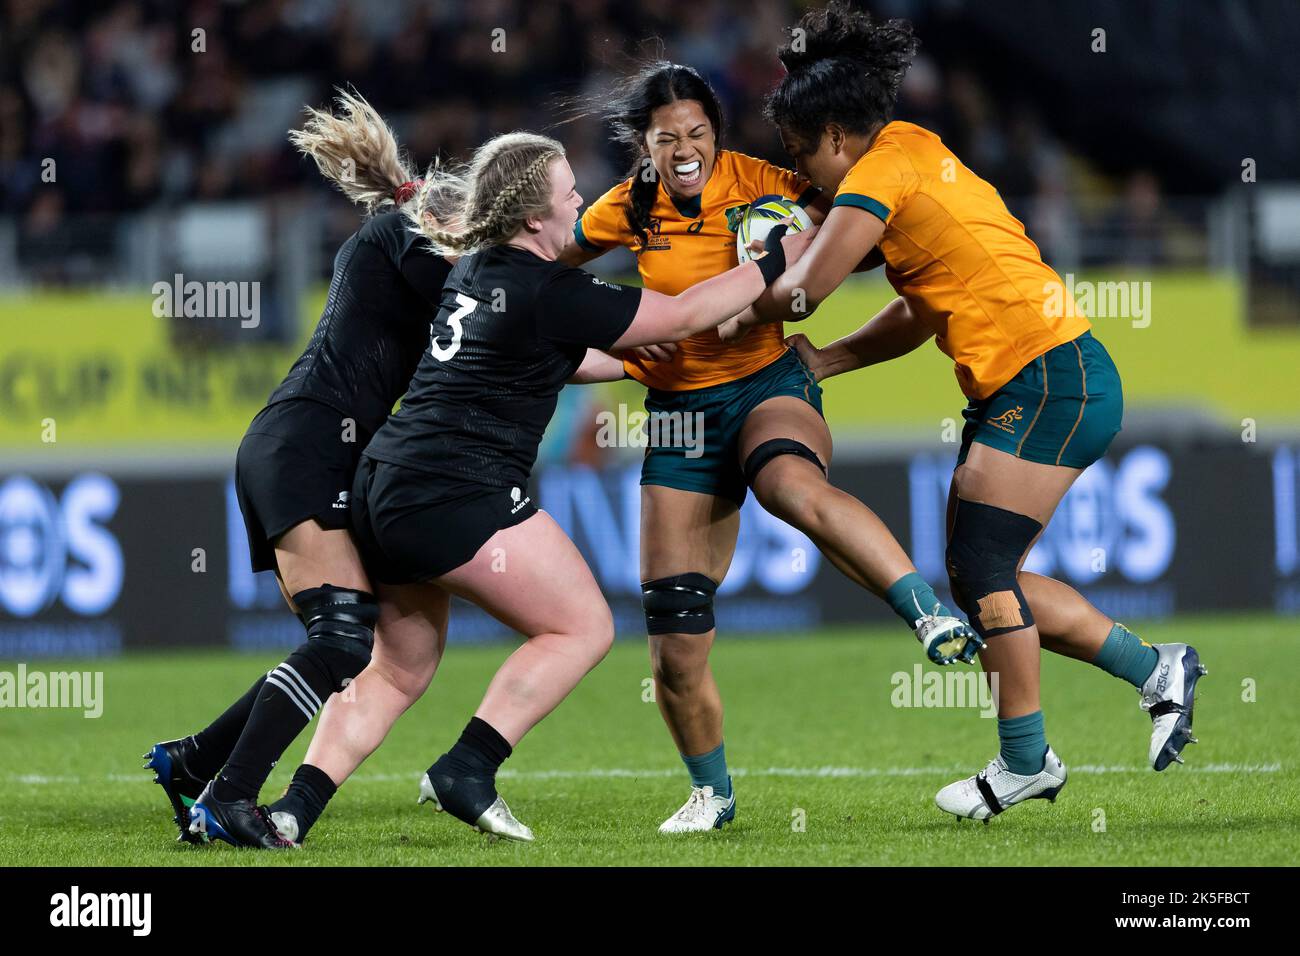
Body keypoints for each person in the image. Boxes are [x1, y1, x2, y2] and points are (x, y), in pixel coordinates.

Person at [263, 129, 817, 846]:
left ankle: (291, 812)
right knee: (581, 627)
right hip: (454, 489)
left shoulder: (479, 268)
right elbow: (680, 316)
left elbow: (566, 358)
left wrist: (639, 365)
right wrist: (773, 257)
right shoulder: (549, 287)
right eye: (568, 194)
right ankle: (467, 768)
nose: (580, 201)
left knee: (398, 671)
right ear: (534, 219)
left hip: (382, 482)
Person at [728, 2, 1205, 821]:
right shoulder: (917, 150)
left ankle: (1027, 760)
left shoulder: (880, 172)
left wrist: (745, 286)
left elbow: (805, 292)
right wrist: (832, 360)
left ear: (838, 136)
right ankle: (1155, 670)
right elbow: (920, 310)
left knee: (984, 576)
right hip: (1037, 380)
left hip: (1050, 376)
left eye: (805, 155)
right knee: (990, 580)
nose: (807, 173)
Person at [558, 61, 977, 834]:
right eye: (666, 138)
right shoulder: (628, 207)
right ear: (644, 145)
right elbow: (545, 264)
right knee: (675, 638)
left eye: (697, 133)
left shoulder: (768, 185)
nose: (685, 150)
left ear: (716, 132)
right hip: (678, 416)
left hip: (767, 385)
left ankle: (926, 612)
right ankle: (711, 794)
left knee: (789, 484)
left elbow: (859, 220)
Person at [143, 90, 456, 849]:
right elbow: (503, 309)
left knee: (339, 636)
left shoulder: (396, 241)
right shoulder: (408, 241)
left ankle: (194, 763)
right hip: (307, 445)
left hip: (300, 443)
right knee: (345, 636)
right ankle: (230, 797)